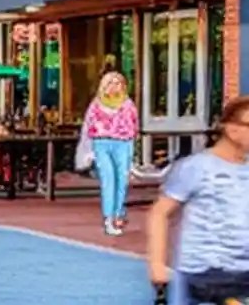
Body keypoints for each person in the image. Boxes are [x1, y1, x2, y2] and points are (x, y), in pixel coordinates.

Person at [147, 96, 249, 304]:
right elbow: (159, 213)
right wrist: (157, 264)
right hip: (205, 272)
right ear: (232, 129)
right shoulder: (196, 167)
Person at [82, 70, 138, 236]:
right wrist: (88, 150)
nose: (114, 86)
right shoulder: (96, 105)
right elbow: (88, 126)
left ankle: (118, 212)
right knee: (108, 180)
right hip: (102, 143)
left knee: (122, 180)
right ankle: (109, 219)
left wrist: (131, 145)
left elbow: (134, 126)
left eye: (118, 83)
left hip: (123, 143)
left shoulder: (128, 105)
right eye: (110, 83)